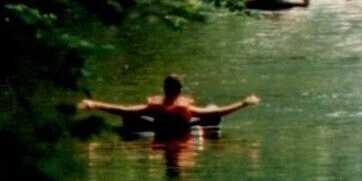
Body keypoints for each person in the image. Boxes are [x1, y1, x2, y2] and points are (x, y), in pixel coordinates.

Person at [78, 74, 261, 135]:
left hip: (158, 126)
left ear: (164, 89)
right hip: (184, 128)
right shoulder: (186, 108)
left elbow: (124, 110)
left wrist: (95, 104)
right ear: (180, 90)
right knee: (212, 108)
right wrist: (243, 103)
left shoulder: (155, 106)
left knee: (129, 117)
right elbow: (217, 112)